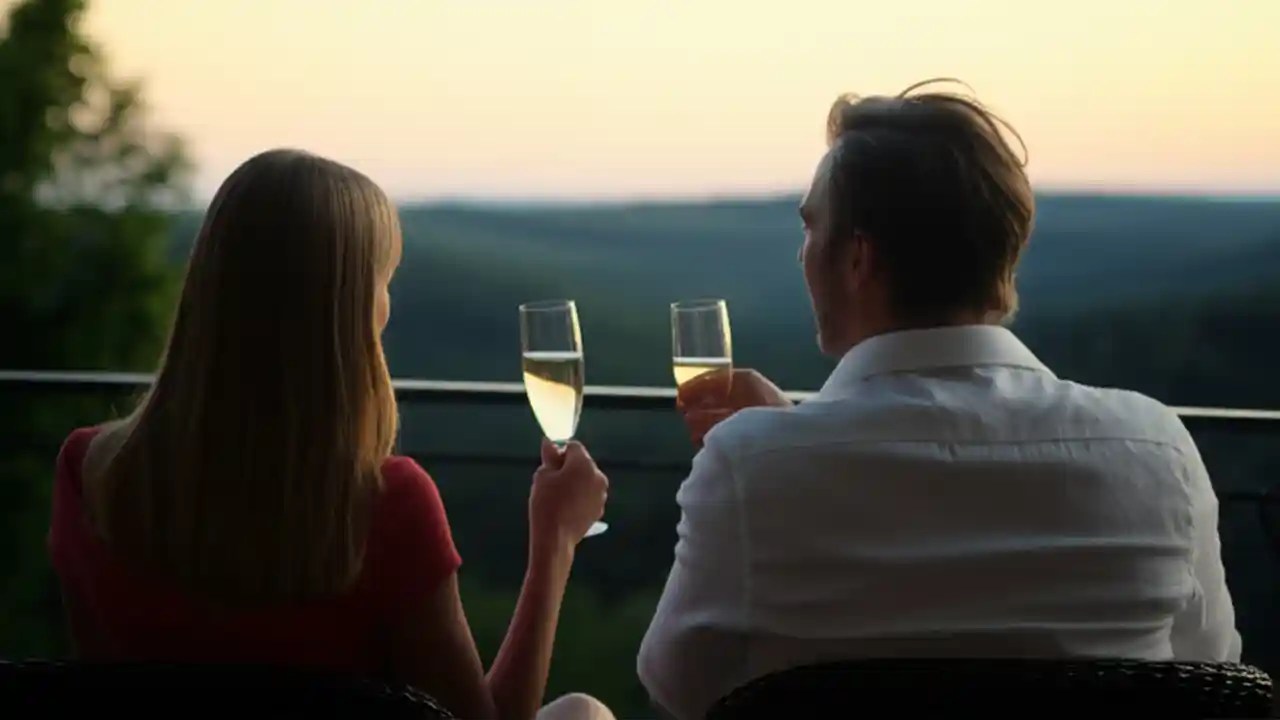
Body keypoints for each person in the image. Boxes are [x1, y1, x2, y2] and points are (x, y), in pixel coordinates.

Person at [637, 79, 1241, 720]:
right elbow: (1211, 670)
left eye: (812, 228)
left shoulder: (748, 465)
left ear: (858, 259)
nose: (803, 252)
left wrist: (773, 447)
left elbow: (678, 689)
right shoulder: (1157, 448)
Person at [48, 149, 615, 720]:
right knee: (583, 711)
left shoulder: (89, 473)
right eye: (382, 281)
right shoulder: (386, 506)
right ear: (345, 312)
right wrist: (555, 543)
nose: (387, 307)